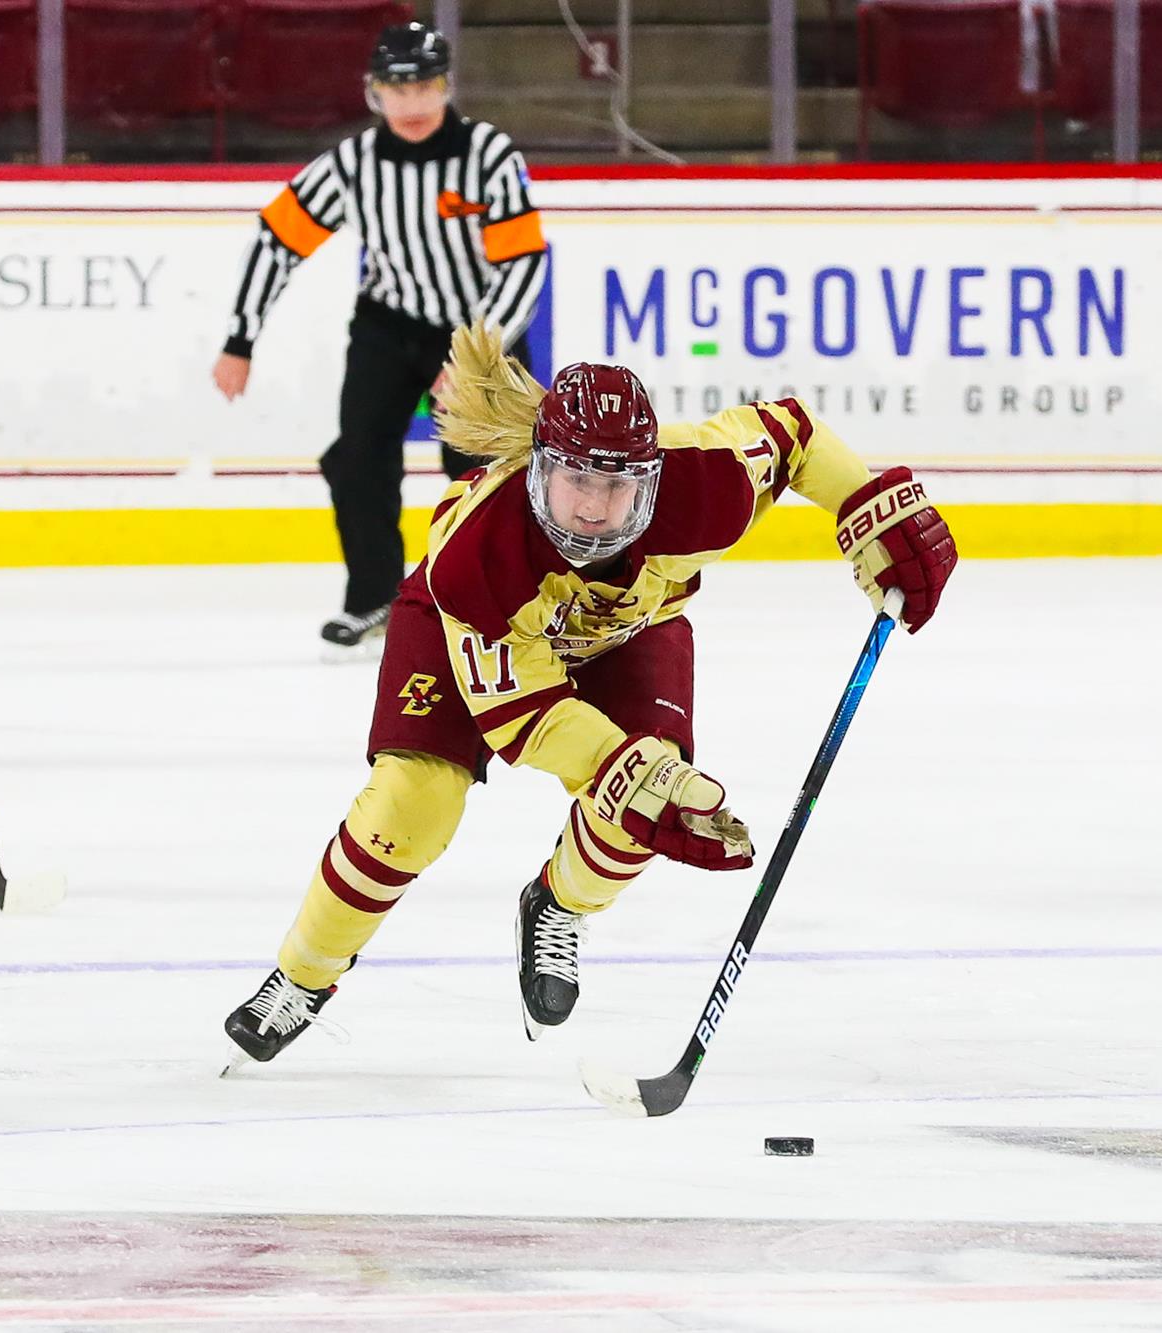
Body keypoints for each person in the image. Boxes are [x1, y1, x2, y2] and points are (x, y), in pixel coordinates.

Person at [222, 325, 959, 1065]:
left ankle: (559, 904)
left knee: (657, 790)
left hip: (630, 627)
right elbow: (529, 722)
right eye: (578, 480)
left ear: (649, 477)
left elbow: (794, 436)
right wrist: (626, 771)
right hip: (471, 640)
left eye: (619, 485)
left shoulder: (706, 480)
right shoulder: (479, 559)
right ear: (540, 469)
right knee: (414, 803)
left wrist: (867, 502)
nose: (596, 509)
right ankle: (303, 975)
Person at [212, 21, 550, 655]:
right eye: (397, 88)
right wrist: (240, 339)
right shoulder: (353, 165)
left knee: (485, 472)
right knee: (358, 458)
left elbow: (524, 263)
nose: (412, 103)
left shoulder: (489, 154)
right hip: (389, 324)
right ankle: (373, 598)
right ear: (373, 93)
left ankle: (487, 602)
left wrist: (477, 357)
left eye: (425, 86)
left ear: (447, 87)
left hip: (478, 328)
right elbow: (276, 240)